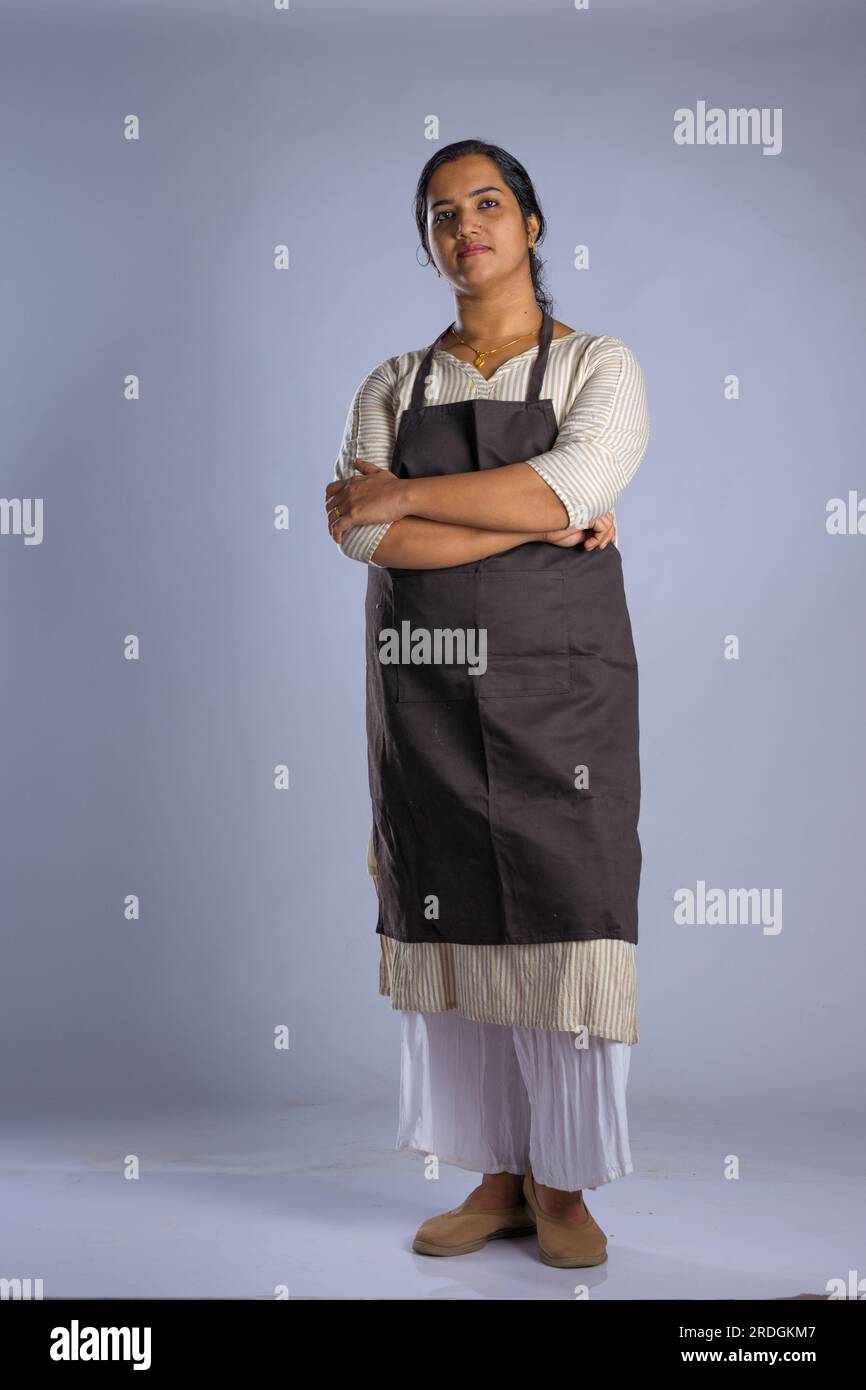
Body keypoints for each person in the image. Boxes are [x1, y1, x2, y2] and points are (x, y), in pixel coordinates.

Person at [326, 138, 649, 1269]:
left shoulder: (595, 365)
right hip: (420, 689)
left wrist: (420, 491)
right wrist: (538, 510)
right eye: (440, 214)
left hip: (557, 692)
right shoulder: (391, 383)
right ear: (428, 244)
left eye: (487, 203)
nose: (465, 226)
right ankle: (495, 1177)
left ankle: (561, 1190)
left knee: (566, 909)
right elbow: (362, 531)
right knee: (450, 911)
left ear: (531, 222)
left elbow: (580, 476)